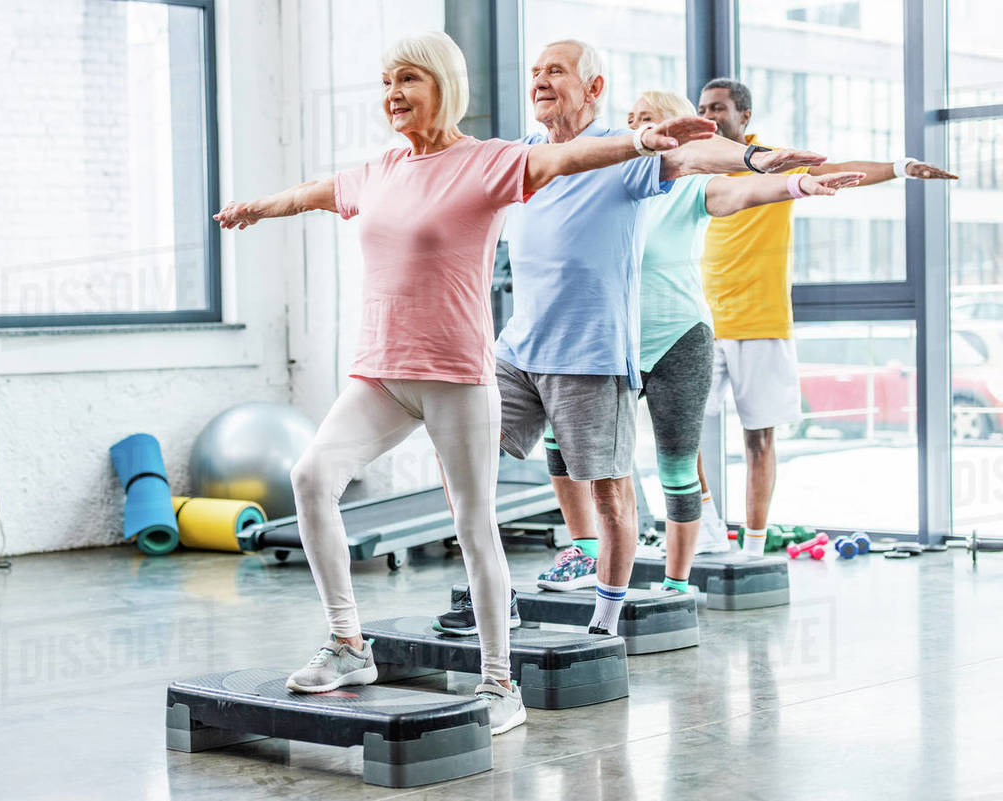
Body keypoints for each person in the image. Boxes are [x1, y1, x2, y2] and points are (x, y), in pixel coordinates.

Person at [214, 31, 716, 735]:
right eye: (387, 83)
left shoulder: (486, 163)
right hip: (383, 372)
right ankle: (349, 643)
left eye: (409, 82)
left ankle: (497, 683)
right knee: (310, 476)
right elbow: (314, 193)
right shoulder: (379, 169)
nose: (394, 96)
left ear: (444, 86)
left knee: (474, 527)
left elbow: (567, 155)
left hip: (457, 374)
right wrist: (256, 208)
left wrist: (639, 144)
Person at [433, 40, 822, 640]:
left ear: (593, 88)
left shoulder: (625, 153)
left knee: (615, 492)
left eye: (554, 72)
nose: (539, 81)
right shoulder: (524, 154)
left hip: (596, 352)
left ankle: (608, 621)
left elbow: (694, 160)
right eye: (534, 72)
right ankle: (497, 594)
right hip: (517, 348)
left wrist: (758, 161)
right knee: (458, 451)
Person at [536, 89, 864, 598]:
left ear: (674, 130)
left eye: (646, 119)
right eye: (629, 120)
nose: (634, 128)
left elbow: (744, 194)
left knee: (676, 463)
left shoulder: (692, 188)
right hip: (612, 341)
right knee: (566, 441)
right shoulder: (612, 183)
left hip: (677, 339)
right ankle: (584, 550)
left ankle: (676, 582)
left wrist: (799, 184)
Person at [694, 78, 958, 555]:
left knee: (758, 439)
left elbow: (839, 169)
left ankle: (753, 548)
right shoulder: (694, 167)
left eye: (718, 108)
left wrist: (899, 167)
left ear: (744, 116)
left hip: (761, 321)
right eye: (703, 109)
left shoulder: (773, 160)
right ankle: (706, 522)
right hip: (702, 323)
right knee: (679, 433)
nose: (709, 117)